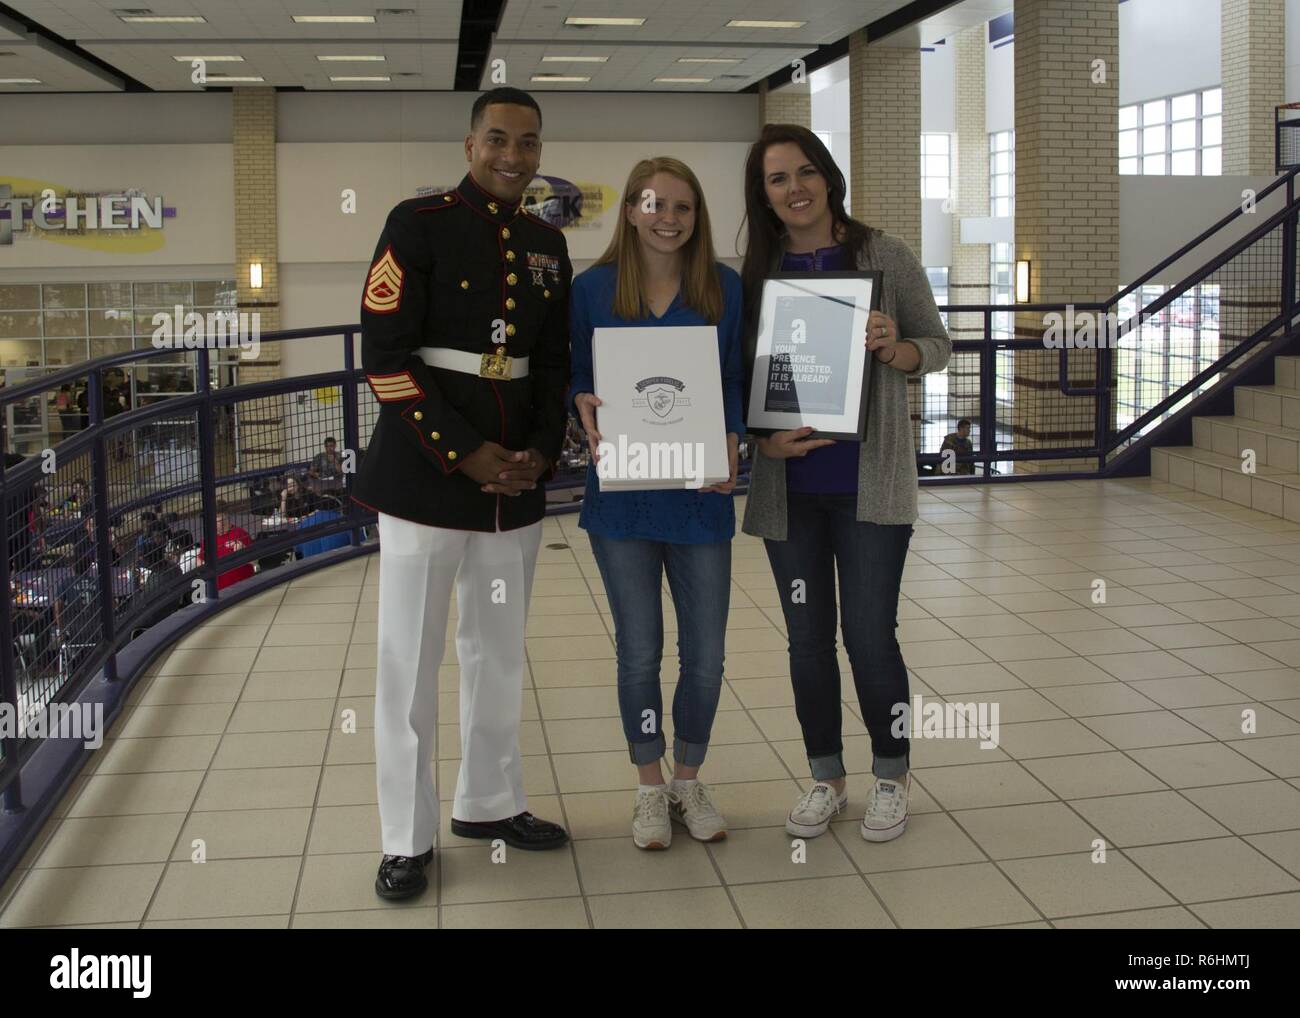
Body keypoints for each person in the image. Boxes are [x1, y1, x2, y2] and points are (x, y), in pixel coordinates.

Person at [349, 86, 573, 901]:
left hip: (513, 484)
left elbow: (552, 365)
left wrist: (540, 453)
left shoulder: (550, 241)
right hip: (424, 478)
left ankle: (488, 802)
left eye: (530, 143)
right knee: (409, 661)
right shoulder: (419, 224)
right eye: (499, 140)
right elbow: (386, 356)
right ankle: (406, 838)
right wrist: (464, 452)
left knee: (498, 651)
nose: (515, 156)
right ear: (471, 142)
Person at [739, 124, 951, 844]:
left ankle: (890, 776)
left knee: (869, 637)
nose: (794, 188)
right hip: (790, 491)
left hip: (871, 486)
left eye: (805, 172)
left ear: (827, 177)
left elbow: (938, 345)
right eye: (776, 179)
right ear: (763, 195)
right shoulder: (755, 273)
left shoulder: (883, 255)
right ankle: (826, 776)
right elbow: (741, 378)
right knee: (806, 642)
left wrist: (898, 346)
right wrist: (759, 436)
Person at [570, 157, 742, 850]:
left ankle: (687, 779)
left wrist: (734, 440)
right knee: (639, 654)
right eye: (654, 205)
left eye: (683, 207)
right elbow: (575, 374)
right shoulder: (593, 290)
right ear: (632, 212)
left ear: (697, 217)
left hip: (700, 495)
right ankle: (649, 786)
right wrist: (575, 401)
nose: (668, 218)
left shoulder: (723, 289)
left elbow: (735, 381)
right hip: (625, 500)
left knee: (705, 656)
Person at [199, 505, 255, 591]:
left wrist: (243, 551)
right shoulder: (208, 540)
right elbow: (200, 560)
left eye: (219, 518)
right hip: (220, 592)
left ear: (226, 516)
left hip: (244, 588)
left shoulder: (240, 533)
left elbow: (255, 561)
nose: (219, 524)